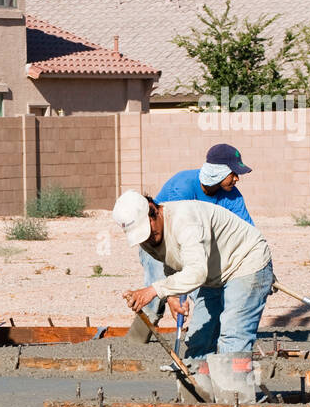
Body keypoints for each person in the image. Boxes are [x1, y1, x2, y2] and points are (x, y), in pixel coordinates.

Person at [114, 191, 274, 393]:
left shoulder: (185, 220)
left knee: (233, 335)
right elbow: (171, 260)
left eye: (148, 232)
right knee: (199, 340)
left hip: (245, 263)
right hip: (213, 273)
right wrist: (172, 296)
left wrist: (156, 290)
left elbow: (197, 272)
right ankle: (201, 401)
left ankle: (235, 404)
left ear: (153, 211)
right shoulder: (149, 238)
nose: (147, 239)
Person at [130, 143, 255, 342]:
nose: (237, 178)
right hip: (157, 243)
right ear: (218, 173)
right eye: (233, 173)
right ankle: (137, 341)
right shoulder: (183, 185)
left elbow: (248, 231)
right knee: (156, 292)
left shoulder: (232, 195)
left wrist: (258, 267)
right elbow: (172, 240)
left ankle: (201, 340)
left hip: (197, 248)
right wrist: (172, 295)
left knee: (202, 290)